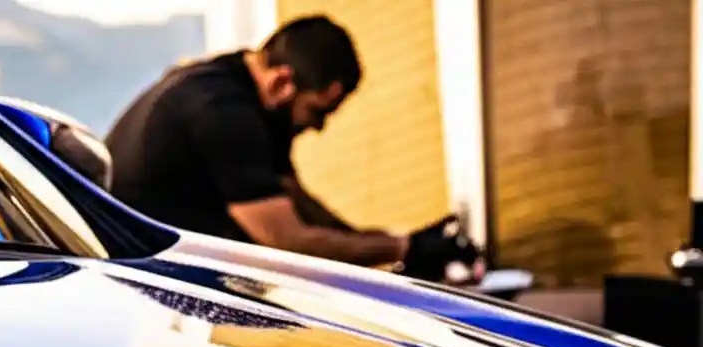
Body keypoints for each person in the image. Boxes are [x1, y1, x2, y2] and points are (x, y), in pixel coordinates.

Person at [105, 15, 471, 273]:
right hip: (138, 269)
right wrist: (402, 249)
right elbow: (285, 240)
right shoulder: (223, 111)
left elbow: (292, 199)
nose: (318, 126)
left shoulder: (238, 85)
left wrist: (387, 241)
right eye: (316, 110)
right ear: (283, 83)